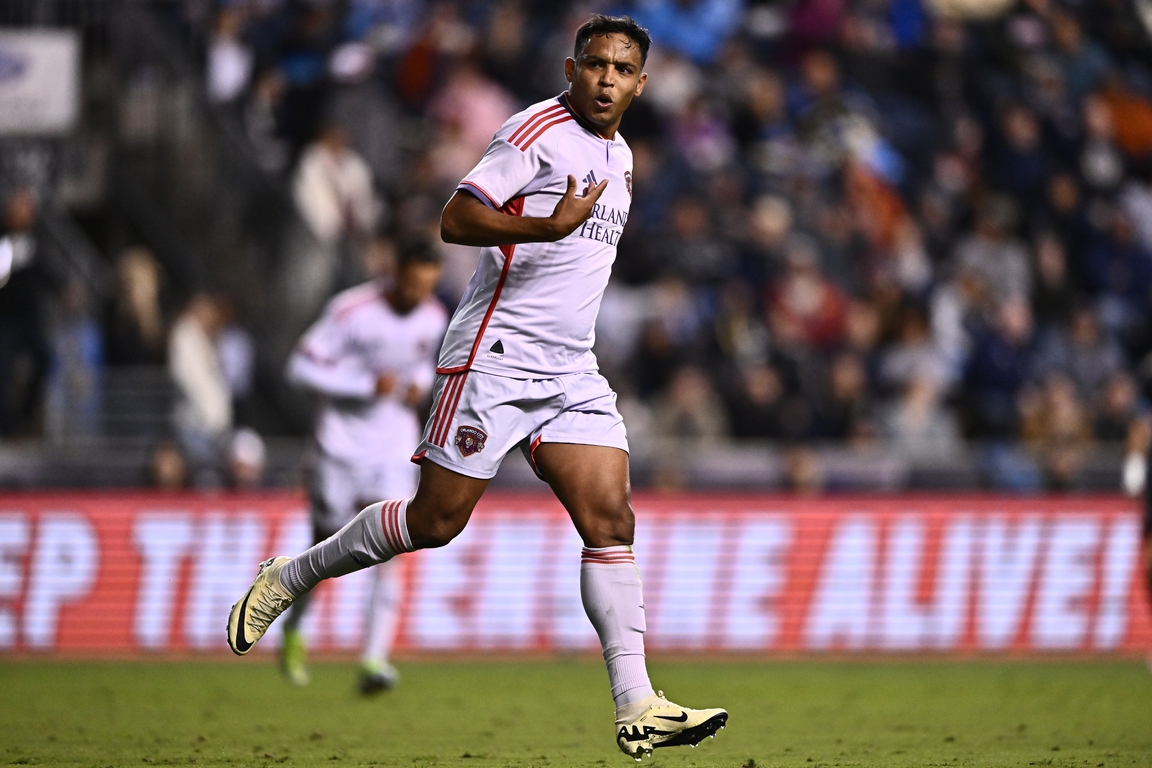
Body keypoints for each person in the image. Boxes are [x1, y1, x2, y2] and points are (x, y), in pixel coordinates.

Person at [227, 15, 728, 758]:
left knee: (611, 520)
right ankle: (292, 575)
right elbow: (454, 219)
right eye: (595, 65)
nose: (606, 80)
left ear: (640, 84)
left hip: (570, 368)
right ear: (571, 67)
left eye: (622, 70)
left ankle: (637, 703)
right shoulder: (535, 131)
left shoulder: (620, 158)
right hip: (493, 356)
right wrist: (546, 230)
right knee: (436, 523)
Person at [279, 238, 447, 693]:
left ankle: (374, 660)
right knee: (323, 548)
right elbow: (300, 367)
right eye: (413, 284)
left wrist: (417, 386)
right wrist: (363, 384)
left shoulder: (433, 318)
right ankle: (295, 628)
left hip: (393, 445)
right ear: (395, 273)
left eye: (427, 287)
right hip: (339, 446)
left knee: (390, 551)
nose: (418, 296)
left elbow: (422, 370)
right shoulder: (351, 310)